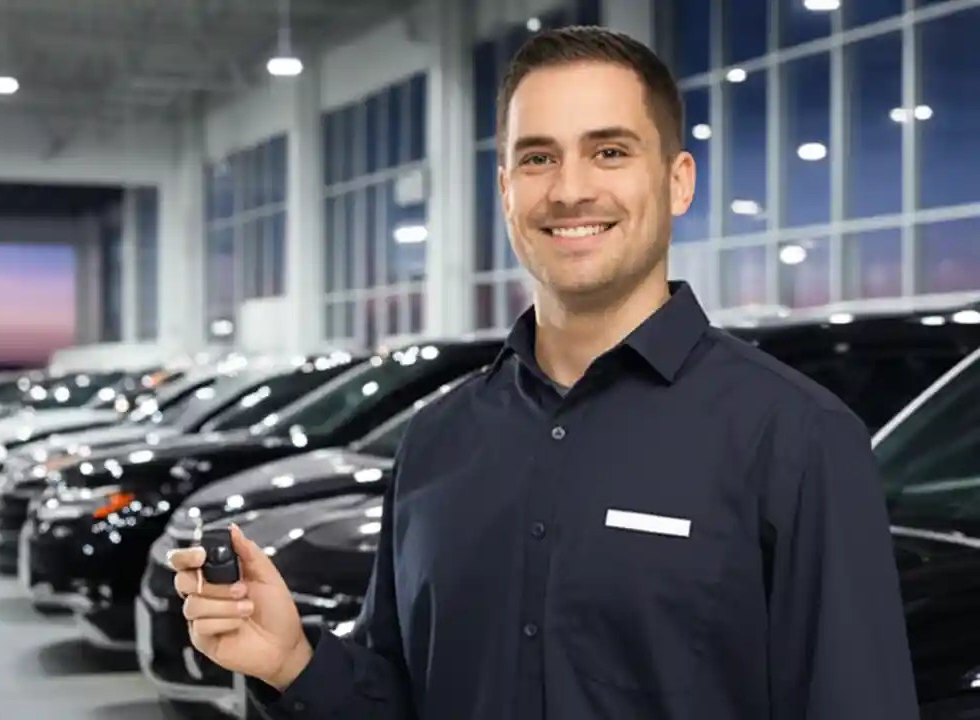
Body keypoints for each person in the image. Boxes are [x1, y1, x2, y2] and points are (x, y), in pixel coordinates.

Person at [167, 25, 918, 719]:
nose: (568, 189)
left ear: (679, 181)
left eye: (610, 151)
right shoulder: (435, 445)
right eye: (537, 157)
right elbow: (400, 694)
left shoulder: (796, 441)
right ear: (505, 191)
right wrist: (296, 662)